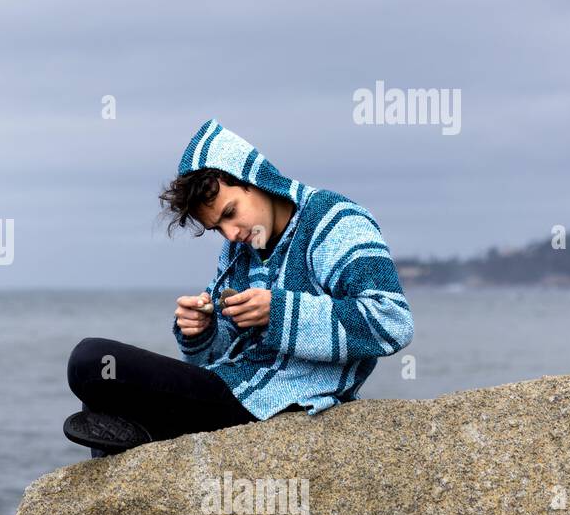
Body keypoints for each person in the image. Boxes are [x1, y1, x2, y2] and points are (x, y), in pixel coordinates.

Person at [64, 117, 414, 457]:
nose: (231, 233)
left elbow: (391, 322)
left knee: (91, 361)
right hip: (235, 389)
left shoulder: (336, 221)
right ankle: (143, 441)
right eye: (218, 227)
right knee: (100, 392)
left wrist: (278, 312)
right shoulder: (239, 250)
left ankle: (148, 436)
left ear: (254, 179)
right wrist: (201, 330)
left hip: (285, 402)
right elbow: (217, 357)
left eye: (230, 212)